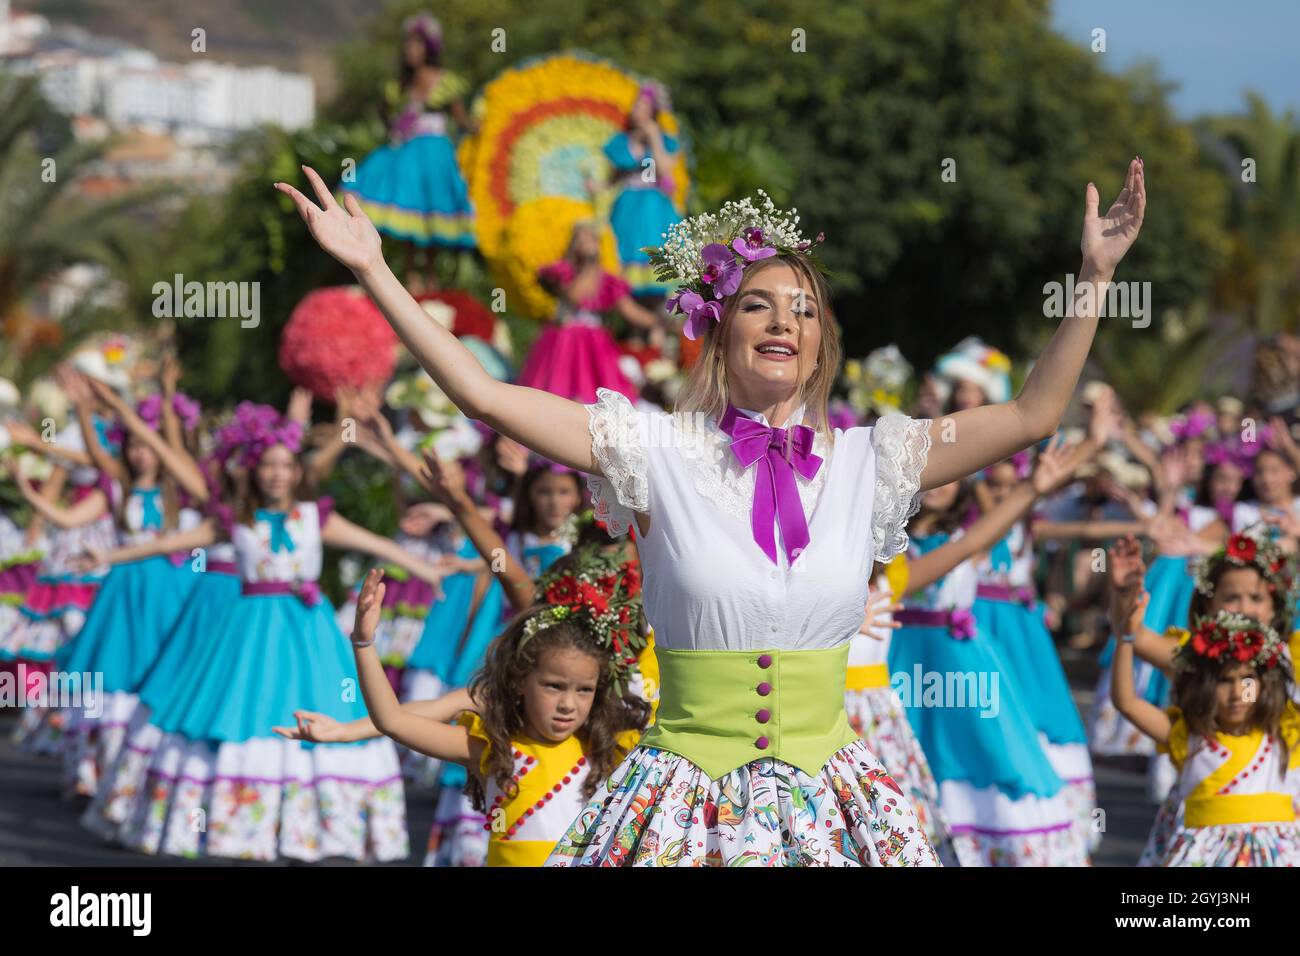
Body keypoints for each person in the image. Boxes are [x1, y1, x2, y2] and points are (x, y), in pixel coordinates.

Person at [277, 153, 1146, 865]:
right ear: (719, 328)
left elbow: (1033, 414)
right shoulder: (653, 449)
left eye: (802, 308)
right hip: (681, 805)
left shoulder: (873, 462)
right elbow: (483, 393)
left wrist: (1094, 278)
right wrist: (375, 270)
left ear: (818, 345)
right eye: (758, 303)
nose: (782, 320)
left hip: (833, 806)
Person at [281, 543, 650, 867]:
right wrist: (363, 643)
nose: (568, 704)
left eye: (583, 691)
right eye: (554, 687)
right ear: (521, 681)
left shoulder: (610, 748)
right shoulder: (494, 749)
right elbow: (393, 720)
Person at [1110, 602, 1300, 866]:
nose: (1236, 692)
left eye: (1247, 679)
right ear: (1206, 686)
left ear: (1263, 684)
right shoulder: (1190, 738)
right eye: (1224, 680)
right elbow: (1127, 703)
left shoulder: (1282, 737)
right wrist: (1126, 637)